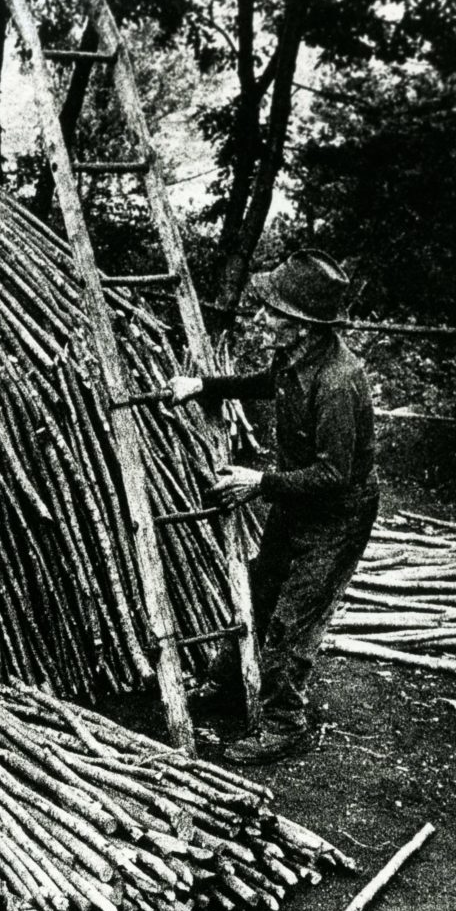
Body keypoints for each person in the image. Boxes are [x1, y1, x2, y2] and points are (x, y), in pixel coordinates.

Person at [166, 249, 378, 765]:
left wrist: (259, 481)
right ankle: (230, 684)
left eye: (273, 313)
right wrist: (206, 386)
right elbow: (269, 384)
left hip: (336, 515)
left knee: (293, 620)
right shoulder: (297, 357)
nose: (263, 320)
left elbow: (334, 476)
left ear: (302, 326)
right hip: (295, 498)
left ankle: (285, 722)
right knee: (260, 591)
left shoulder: (338, 382)